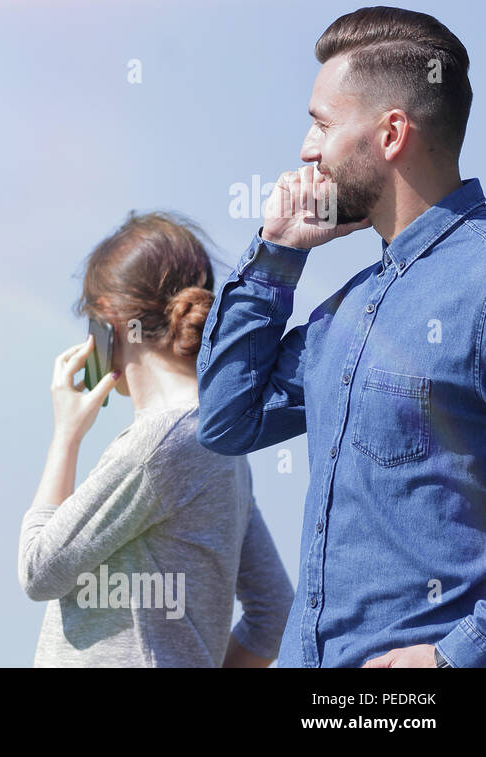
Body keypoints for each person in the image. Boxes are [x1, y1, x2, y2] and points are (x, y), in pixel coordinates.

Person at [197, 6, 485, 668]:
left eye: (322, 124)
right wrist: (277, 251)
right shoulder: (346, 311)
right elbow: (225, 419)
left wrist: (457, 654)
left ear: (390, 133)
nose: (305, 149)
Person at [17, 212, 294, 667]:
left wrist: (65, 436)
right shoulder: (222, 442)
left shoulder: (154, 445)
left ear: (108, 321)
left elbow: (38, 570)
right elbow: (275, 616)